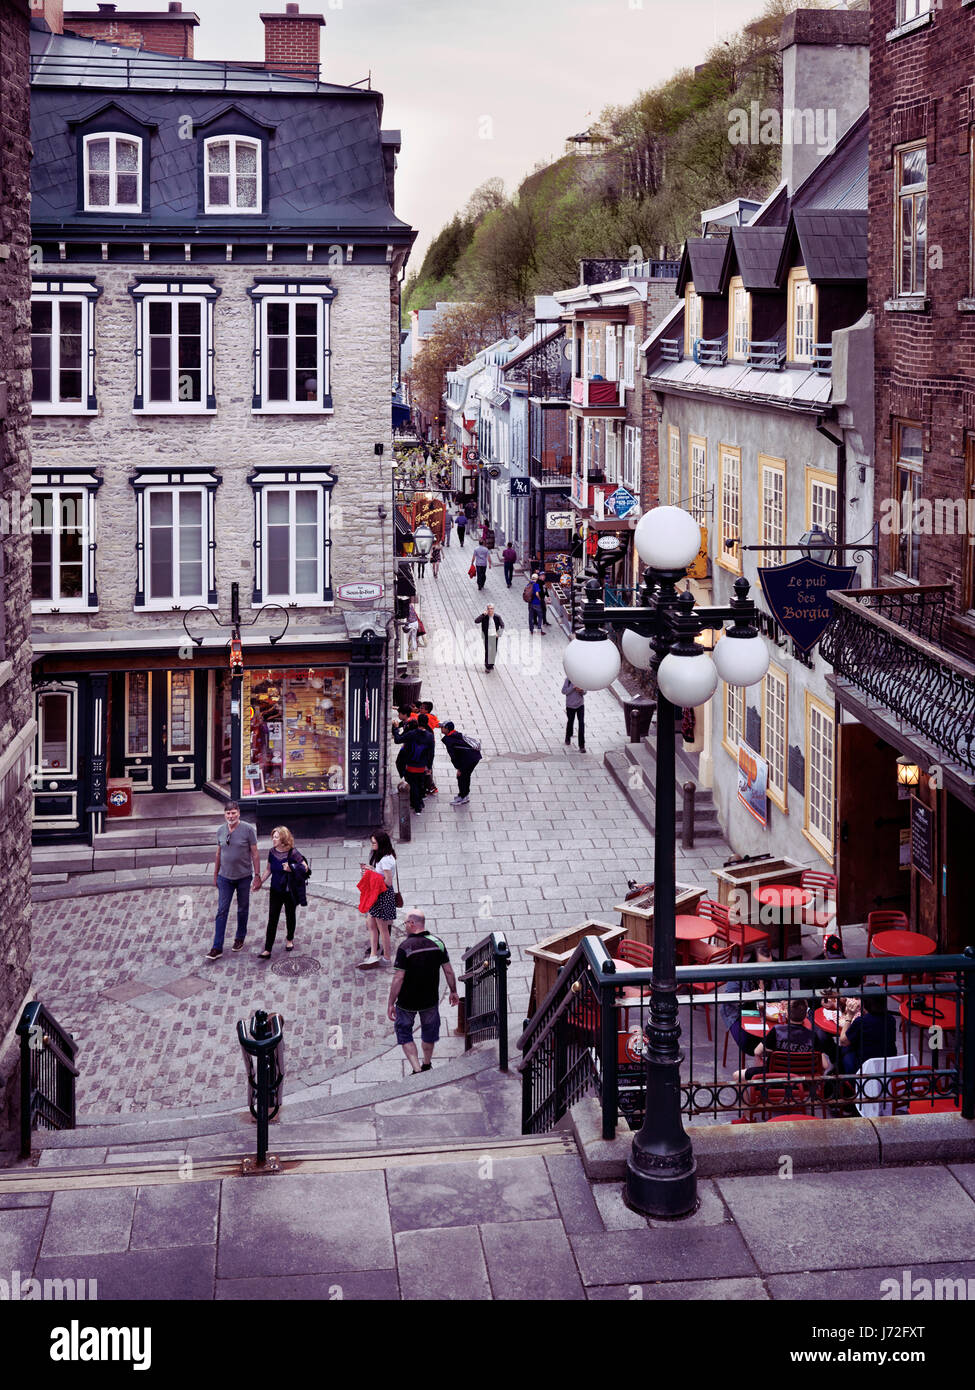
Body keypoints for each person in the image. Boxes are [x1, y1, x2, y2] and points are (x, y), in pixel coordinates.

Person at [387, 909, 459, 1074]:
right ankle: (427, 1064)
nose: (405, 926)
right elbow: (449, 971)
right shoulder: (438, 943)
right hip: (430, 999)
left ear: (412, 923)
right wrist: (453, 991)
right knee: (429, 1032)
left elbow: (399, 978)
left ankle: (417, 1069)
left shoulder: (405, 947)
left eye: (405, 923)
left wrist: (391, 1002)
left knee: (404, 1032)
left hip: (407, 1001)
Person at [207, 802, 261, 961]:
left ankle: (240, 937)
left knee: (243, 908)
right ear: (225, 815)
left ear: (238, 813)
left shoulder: (248, 830)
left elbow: (255, 854)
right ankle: (217, 947)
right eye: (228, 813)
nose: (231, 816)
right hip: (225, 878)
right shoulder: (220, 831)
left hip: (244, 877)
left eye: (233, 813)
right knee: (222, 911)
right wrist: (215, 875)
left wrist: (257, 875)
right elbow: (218, 854)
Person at [735, 997, 828, 1082]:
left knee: (737, 1075)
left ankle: (756, 1094)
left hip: (775, 1077)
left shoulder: (777, 1031)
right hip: (802, 1080)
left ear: (786, 1013)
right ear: (806, 1014)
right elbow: (825, 1065)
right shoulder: (812, 1036)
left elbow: (756, 1052)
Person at [255, 826, 308, 959]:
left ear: (283, 838)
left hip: (289, 891)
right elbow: (268, 869)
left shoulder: (293, 852)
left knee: (290, 916)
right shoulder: (272, 852)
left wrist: (291, 868)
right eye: (273, 836)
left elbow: (305, 868)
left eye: (276, 837)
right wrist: (260, 881)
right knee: (272, 918)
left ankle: (290, 939)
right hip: (275, 890)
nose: (273, 839)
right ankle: (267, 949)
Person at [359, 831, 398, 967]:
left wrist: (372, 873)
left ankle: (386, 957)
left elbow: (388, 882)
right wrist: (372, 869)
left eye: (374, 843)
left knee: (382, 928)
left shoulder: (386, 860)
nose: (372, 845)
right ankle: (373, 954)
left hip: (382, 894)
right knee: (371, 923)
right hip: (378, 893)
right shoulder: (383, 856)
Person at [837, 993, 897, 1075]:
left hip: (865, 1069)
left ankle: (847, 1082)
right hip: (887, 1066)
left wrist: (849, 1016)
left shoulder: (861, 1022)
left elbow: (843, 1041)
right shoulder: (891, 1019)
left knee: (843, 1049)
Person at [393, 710, 435, 812]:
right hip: (422, 766)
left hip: (410, 765)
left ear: (418, 721)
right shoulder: (430, 736)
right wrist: (428, 766)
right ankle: (419, 802)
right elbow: (431, 753)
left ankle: (417, 807)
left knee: (413, 785)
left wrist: (395, 729)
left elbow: (397, 740)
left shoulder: (412, 734)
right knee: (420, 784)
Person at [441, 721, 482, 806]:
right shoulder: (455, 734)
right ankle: (464, 794)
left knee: (461, 777)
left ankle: (463, 797)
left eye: (443, 727)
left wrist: (459, 768)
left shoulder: (449, 740)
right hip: (473, 757)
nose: (441, 729)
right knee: (465, 776)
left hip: (469, 759)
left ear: (447, 729)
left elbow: (454, 756)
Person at [474, 604, 504, 670]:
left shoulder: (497, 617)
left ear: (493, 609)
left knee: (493, 651)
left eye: (491, 608)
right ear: (487, 610)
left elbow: (502, 625)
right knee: (487, 651)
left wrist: (498, 633)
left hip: (494, 636)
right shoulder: (484, 616)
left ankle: (491, 664)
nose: (490, 610)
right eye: (488, 609)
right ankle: (487, 666)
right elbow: (476, 621)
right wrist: (482, 615)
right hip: (486, 636)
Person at [393, 704, 417, 780]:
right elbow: (400, 725)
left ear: (405, 714)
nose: (398, 716)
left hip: (411, 749)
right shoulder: (406, 721)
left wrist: (396, 728)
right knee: (400, 763)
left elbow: (398, 740)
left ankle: (408, 780)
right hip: (407, 747)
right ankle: (407, 779)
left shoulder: (411, 725)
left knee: (401, 763)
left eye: (399, 714)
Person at [562, 677, 586, 751]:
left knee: (581, 724)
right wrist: (573, 687)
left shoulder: (582, 679)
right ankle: (568, 737)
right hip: (570, 706)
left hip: (580, 705)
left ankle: (582, 746)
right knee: (570, 722)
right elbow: (564, 691)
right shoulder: (568, 680)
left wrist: (581, 691)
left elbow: (585, 691)